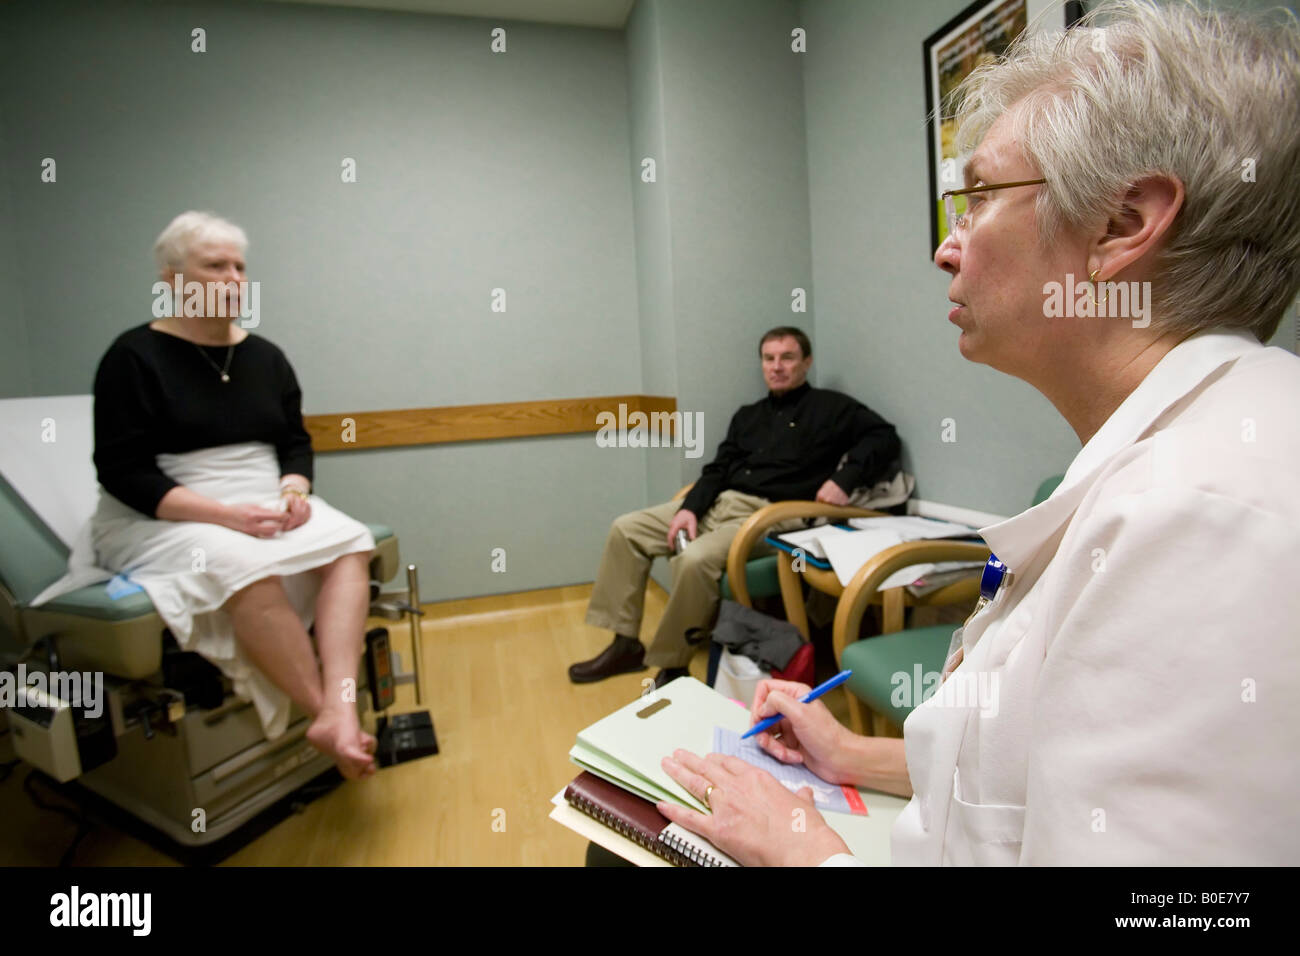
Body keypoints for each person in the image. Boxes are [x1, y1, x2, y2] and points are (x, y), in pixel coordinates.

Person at [657, 0, 1300, 864]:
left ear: (1122, 223)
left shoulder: (1202, 521)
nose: (945, 249)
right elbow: (1033, 783)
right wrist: (850, 754)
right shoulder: (1183, 456)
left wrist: (804, 853)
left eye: (979, 198)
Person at [89, 211, 379, 780]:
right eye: (214, 265)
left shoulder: (265, 356)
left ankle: (340, 707)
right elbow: (121, 470)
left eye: (240, 266)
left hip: (260, 500)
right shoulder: (132, 357)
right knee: (243, 563)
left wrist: (294, 488)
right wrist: (225, 515)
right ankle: (327, 716)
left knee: (353, 543)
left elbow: (294, 442)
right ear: (173, 279)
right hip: (166, 513)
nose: (233, 278)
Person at [569, 326, 901, 688]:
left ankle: (673, 666)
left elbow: (884, 436)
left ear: (806, 362)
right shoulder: (748, 415)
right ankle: (625, 644)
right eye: (769, 359)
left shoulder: (832, 408)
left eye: (787, 358)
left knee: (695, 558)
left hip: (768, 515)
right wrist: (690, 509)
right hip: (718, 502)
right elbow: (716, 469)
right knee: (626, 528)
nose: (777, 367)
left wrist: (845, 479)